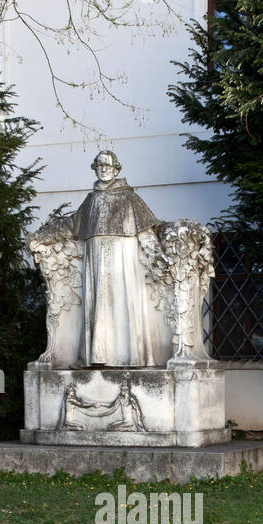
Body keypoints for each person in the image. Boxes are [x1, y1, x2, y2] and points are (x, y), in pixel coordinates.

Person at [69, 151, 164, 367]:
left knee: (122, 302)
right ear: (94, 168)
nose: (103, 169)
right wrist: (47, 232)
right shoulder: (91, 200)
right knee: (99, 304)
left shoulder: (129, 197)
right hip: (96, 258)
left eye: (108, 165)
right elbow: (72, 224)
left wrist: (157, 254)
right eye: (99, 165)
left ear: (116, 169)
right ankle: (99, 356)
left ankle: (127, 356)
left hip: (122, 256)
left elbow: (145, 231)